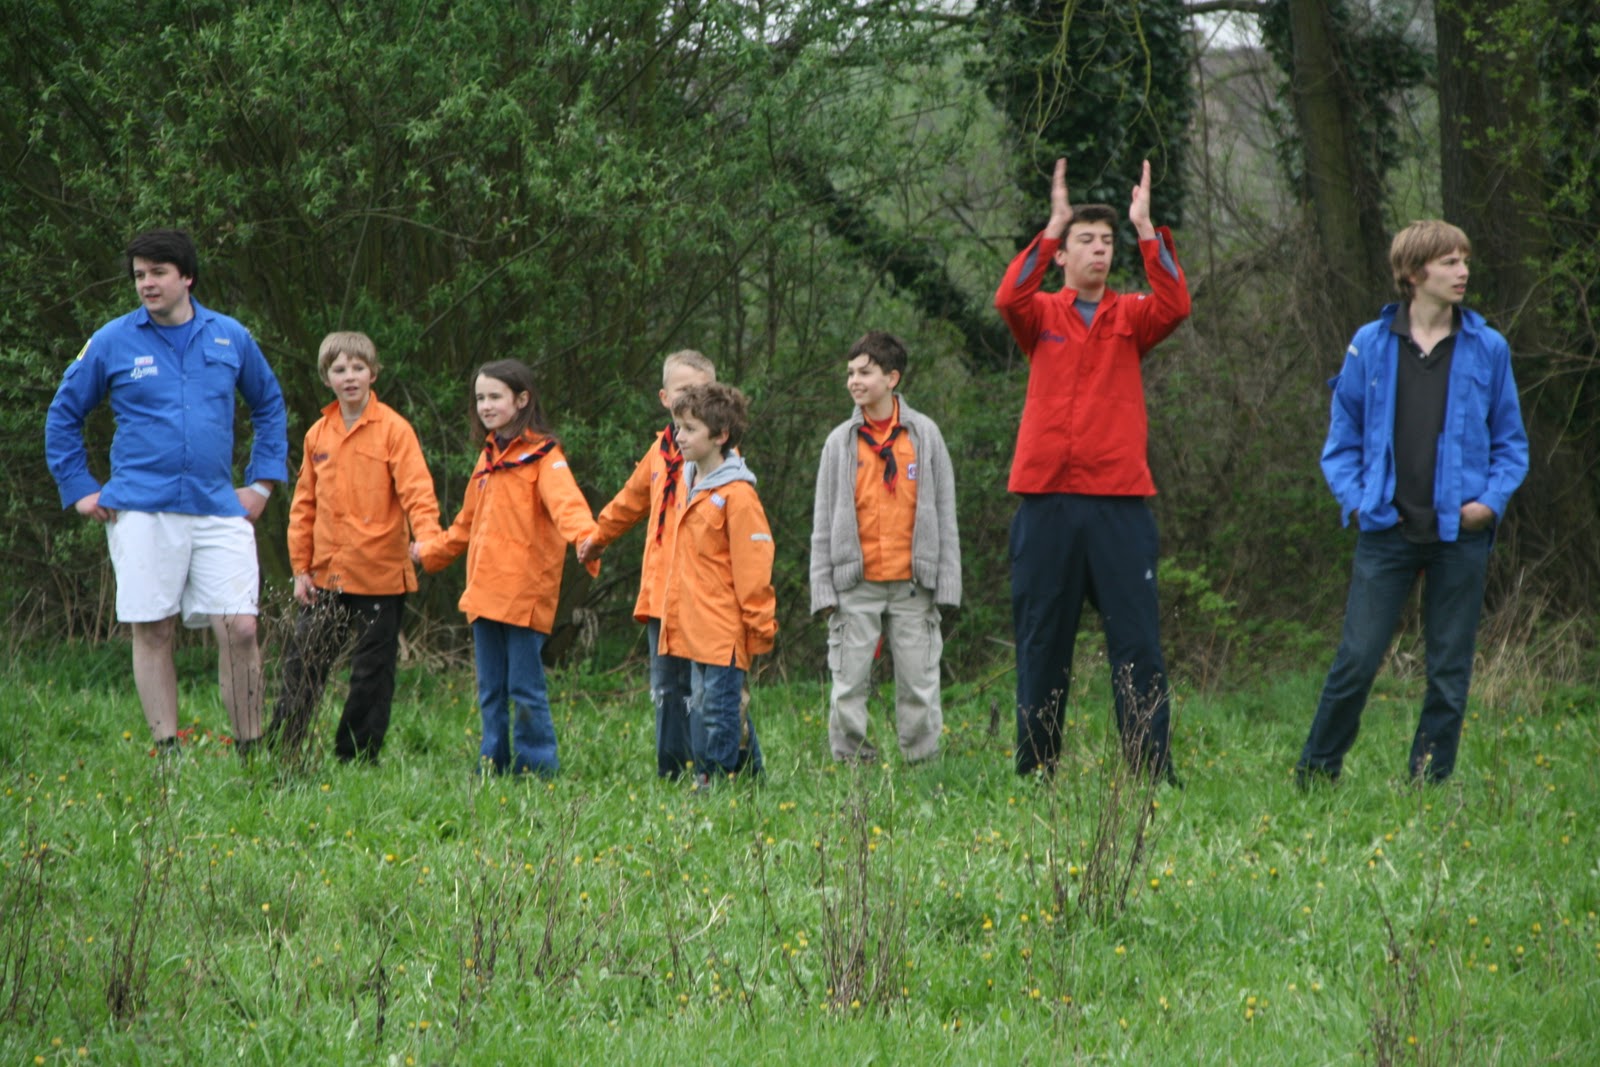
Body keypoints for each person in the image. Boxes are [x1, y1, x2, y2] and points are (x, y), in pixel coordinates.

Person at [1297, 221, 1528, 786]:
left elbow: (1512, 444)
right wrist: (1358, 503)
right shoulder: (1369, 346)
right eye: (1450, 262)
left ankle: (1428, 784)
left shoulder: (1488, 348)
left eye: (1464, 261)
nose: (1463, 272)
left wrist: (1490, 503)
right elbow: (1341, 442)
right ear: (1413, 273)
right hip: (1386, 531)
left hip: (1460, 536)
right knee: (1355, 661)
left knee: (1448, 673)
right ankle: (1315, 775)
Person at [45, 228, 288, 759]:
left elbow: (269, 404)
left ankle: (252, 750)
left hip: (218, 506)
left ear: (187, 277)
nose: (146, 284)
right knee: (153, 629)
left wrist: (264, 482)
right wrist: (80, 488)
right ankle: (167, 752)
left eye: (157, 273)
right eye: (138, 275)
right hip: (140, 508)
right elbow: (64, 413)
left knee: (241, 627)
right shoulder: (112, 341)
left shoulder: (230, 337)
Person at [994, 158, 1191, 781]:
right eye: (1087, 241)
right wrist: (1052, 224)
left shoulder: (1131, 315)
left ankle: (1149, 768)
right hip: (1045, 502)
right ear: (1062, 255)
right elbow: (1008, 296)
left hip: (1119, 504)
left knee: (1136, 646)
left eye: (1107, 243)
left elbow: (1177, 302)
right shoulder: (1042, 316)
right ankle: (1037, 768)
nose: (1099, 251)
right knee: (1042, 643)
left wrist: (1145, 228)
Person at [411, 359, 598, 776]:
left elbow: (569, 506)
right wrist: (429, 552)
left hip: (524, 594)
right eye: (480, 397)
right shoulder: (487, 460)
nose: (486, 405)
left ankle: (536, 770)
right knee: (490, 690)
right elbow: (463, 527)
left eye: (495, 396)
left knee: (524, 689)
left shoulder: (544, 457)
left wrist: (587, 539)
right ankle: (491, 764)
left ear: (522, 399)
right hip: (484, 594)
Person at [266, 331, 442, 763]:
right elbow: (303, 506)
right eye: (339, 370)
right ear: (327, 378)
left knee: (372, 672)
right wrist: (300, 569)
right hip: (326, 574)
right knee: (303, 663)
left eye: (358, 368)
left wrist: (429, 538)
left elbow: (418, 492)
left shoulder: (395, 431)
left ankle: (358, 754)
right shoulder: (317, 436)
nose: (349, 377)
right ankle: (283, 746)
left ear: (373, 373)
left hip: (381, 574)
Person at [809, 331, 960, 763]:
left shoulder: (925, 435)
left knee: (919, 683)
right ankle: (854, 763)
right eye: (850, 373)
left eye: (866, 372)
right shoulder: (840, 443)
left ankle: (922, 763)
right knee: (848, 683)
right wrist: (823, 590)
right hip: (856, 585)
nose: (855, 381)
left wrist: (947, 584)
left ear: (892, 377)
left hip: (914, 585)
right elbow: (823, 522)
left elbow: (944, 512)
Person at [577, 350, 716, 779]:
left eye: (700, 391)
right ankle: (671, 770)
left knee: (706, 690)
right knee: (666, 689)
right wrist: (596, 540)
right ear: (663, 397)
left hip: (700, 597)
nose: (690, 398)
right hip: (660, 593)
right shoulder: (659, 452)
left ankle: (719, 768)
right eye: (681, 391)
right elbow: (628, 502)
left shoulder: (716, 454)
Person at [658, 382, 776, 787]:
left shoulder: (739, 496)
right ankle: (753, 779)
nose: (679, 436)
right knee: (717, 707)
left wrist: (759, 626)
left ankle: (716, 783)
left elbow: (754, 568)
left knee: (720, 712)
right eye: (677, 427)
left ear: (720, 435)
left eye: (690, 429)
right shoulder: (687, 483)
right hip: (695, 628)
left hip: (725, 630)